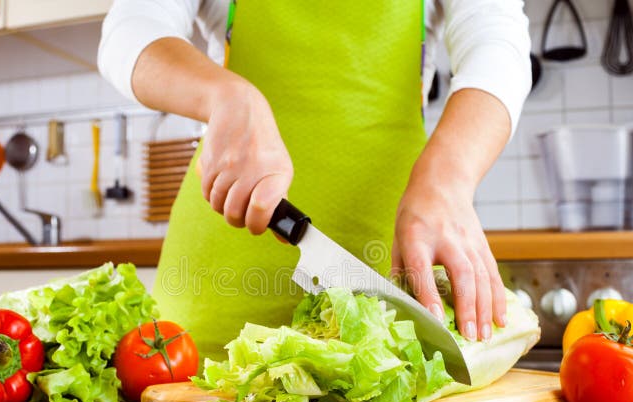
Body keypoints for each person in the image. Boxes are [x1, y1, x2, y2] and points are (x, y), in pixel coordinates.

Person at [98, 0, 531, 358]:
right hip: (207, 307)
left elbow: (497, 42)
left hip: (384, 300)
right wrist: (225, 96)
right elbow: (130, 29)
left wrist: (448, 180)